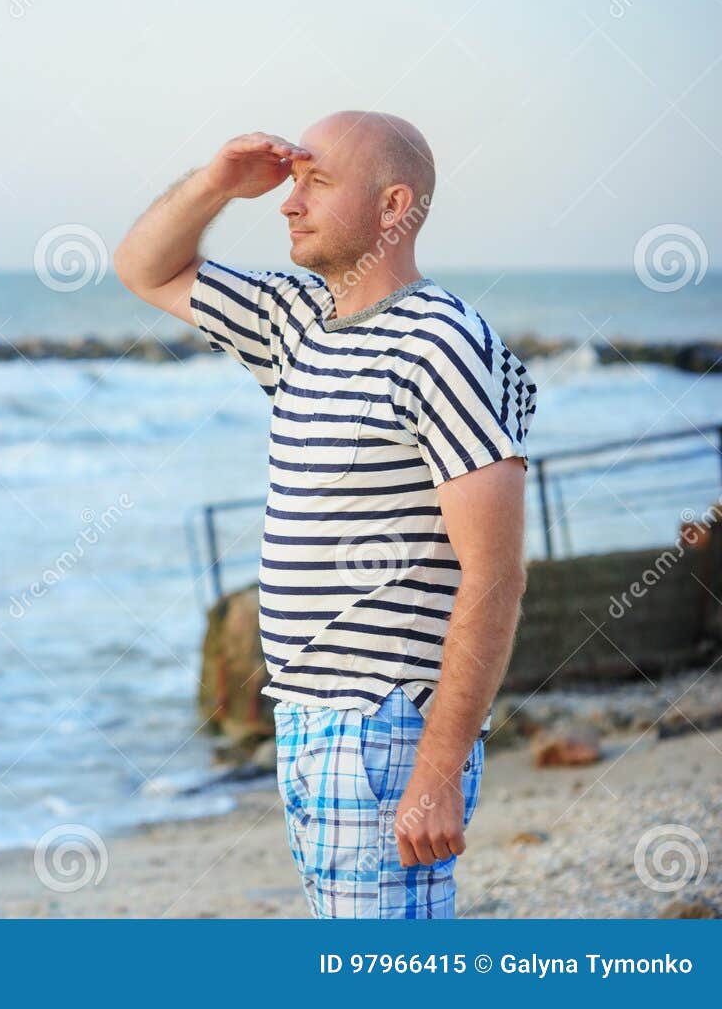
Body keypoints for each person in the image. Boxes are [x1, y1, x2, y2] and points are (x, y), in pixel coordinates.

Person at [115, 112, 537, 918]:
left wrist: (438, 770)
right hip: (308, 717)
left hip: (384, 726)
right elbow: (143, 267)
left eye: (318, 181)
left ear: (391, 206)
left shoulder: (443, 342)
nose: (288, 202)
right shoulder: (296, 322)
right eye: (293, 179)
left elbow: (496, 574)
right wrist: (215, 183)